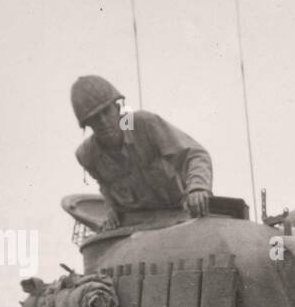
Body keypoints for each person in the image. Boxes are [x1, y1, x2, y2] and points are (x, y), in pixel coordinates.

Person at [70, 75, 214, 230]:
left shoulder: (143, 125)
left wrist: (198, 188)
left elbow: (195, 155)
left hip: (181, 215)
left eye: (106, 111)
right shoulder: (88, 155)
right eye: (95, 118)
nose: (103, 121)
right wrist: (110, 210)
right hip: (136, 226)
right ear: (87, 125)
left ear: (118, 109)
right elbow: (105, 186)